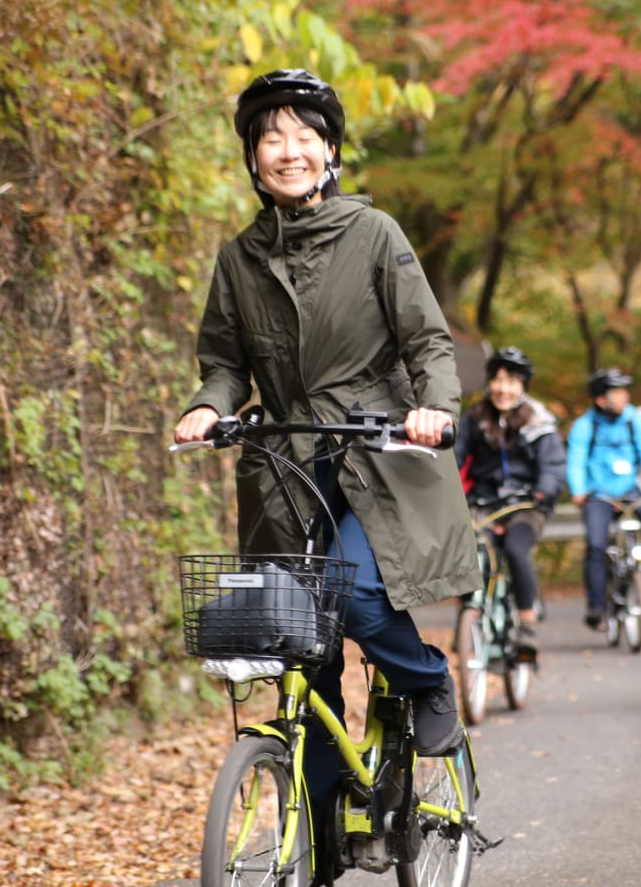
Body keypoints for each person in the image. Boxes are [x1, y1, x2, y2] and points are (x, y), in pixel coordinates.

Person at [172, 69, 480, 769]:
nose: (289, 150)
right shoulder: (238, 259)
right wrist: (207, 405)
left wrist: (433, 408)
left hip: (378, 450)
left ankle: (428, 680)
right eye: (272, 137)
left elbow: (427, 339)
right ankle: (319, 825)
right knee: (296, 648)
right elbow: (223, 363)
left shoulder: (373, 233)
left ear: (329, 151)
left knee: (361, 601)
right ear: (253, 158)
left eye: (304, 136)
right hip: (284, 461)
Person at [453, 345, 566, 659]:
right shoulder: (474, 418)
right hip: (484, 504)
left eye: (512, 381)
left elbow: (553, 466)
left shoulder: (539, 421)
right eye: (498, 380)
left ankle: (527, 624)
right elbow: (454, 458)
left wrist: (543, 491)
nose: (504, 388)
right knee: (467, 550)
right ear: (489, 382)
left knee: (516, 549)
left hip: (526, 505)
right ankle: (468, 618)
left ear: (523, 385)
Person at [566, 368, 641, 630]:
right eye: (618, 393)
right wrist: (578, 490)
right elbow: (576, 461)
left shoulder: (633, 420)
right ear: (601, 399)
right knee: (596, 545)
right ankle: (596, 606)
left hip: (630, 492)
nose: (625, 398)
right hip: (598, 495)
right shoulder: (585, 425)